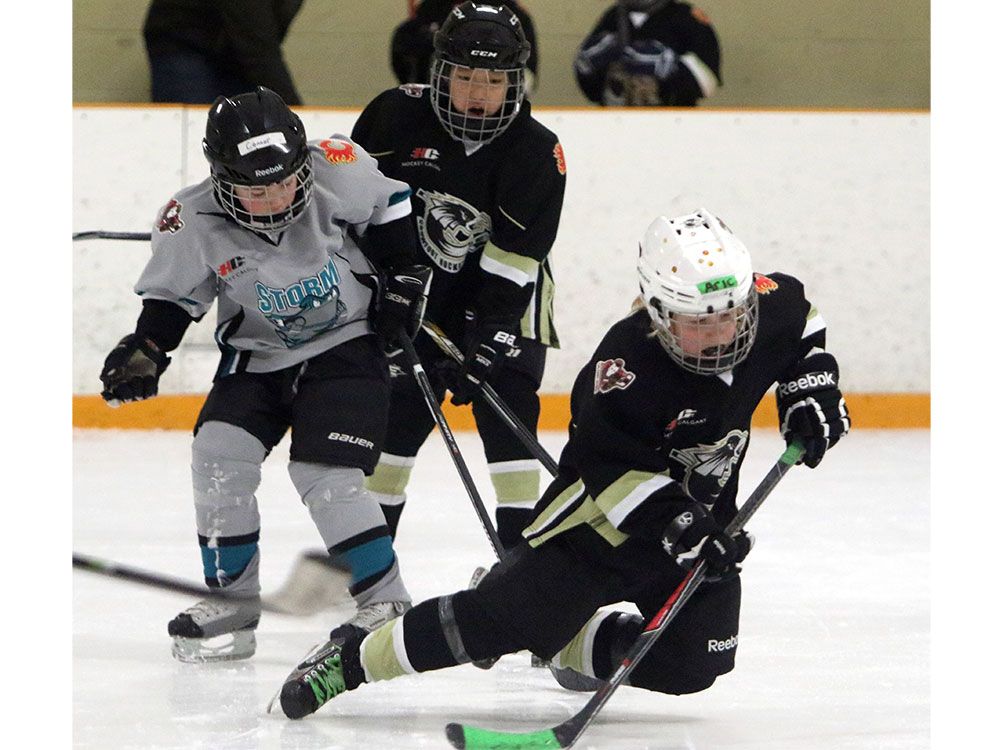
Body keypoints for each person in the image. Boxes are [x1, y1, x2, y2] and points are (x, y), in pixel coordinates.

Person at [273, 208, 851, 719]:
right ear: (657, 311)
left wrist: (810, 390)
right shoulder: (623, 368)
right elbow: (612, 471)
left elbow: (805, 324)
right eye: (697, 322)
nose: (720, 333)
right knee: (487, 626)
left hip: (700, 530)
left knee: (696, 664)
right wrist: (683, 525)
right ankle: (346, 664)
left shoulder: (767, 307)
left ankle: (568, 643)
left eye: (730, 314)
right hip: (596, 527)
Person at [98, 86, 433, 663]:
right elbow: (174, 300)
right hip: (255, 357)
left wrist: (405, 274)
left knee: (325, 473)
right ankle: (233, 601)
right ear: (221, 177)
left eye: (284, 180)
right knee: (218, 454)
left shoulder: (338, 167)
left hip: (347, 345)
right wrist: (147, 347)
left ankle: (385, 600)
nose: (276, 197)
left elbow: (394, 200)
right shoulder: (191, 218)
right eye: (256, 189)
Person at [352, 2, 567, 551]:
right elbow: (353, 211)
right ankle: (370, 573)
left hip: (508, 299)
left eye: (495, 80)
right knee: (394, 430)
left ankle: (518, 575)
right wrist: (384, 288)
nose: (479, 92)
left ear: (517, 80)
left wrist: (490, 334)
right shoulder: (392, 117)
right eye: (467, 76)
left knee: (510, 424)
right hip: (414, 295)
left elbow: (515, 260)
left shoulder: (538, 152)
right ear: (440, 72)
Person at [143, 0, 304, 105]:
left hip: (234, 52)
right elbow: (256, 43)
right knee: (194, 129)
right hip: (182, 41)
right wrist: (295, 112)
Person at [574, 0, 721, 106]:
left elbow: (709, 81)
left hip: (673, 126)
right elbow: (592, 91)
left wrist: (673, 68)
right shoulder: (612, 17)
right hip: (615, 125)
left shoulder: (686, 17)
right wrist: (586, 69)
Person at [391, 0, 540, 95]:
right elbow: (401, 52)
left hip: (499, 113)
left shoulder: (513, 14)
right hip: (434, 109)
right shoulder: (431, 9)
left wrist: (500, 91)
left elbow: (528, 76)